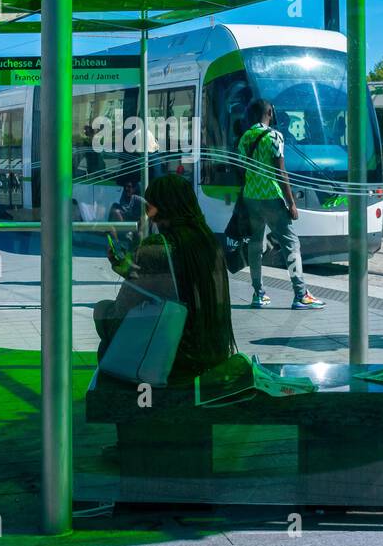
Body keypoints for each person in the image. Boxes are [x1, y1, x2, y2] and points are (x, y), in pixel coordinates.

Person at [94, 173, 238, 384]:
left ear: (160, 209)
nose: (148, 215)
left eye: (149, 207)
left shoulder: (156, 247)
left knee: (103, 317)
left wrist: (102, 314)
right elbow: (167, 279)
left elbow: (119, 317)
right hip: (213, 356)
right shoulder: (210, 244)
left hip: (173, 362)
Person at [237, 98, 325, 311]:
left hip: (251, 198)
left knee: (255, 245)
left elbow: (241, 170)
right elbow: (280, 172)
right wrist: (291, 202)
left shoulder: (245, 138)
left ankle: (258, 294)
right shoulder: (275, 136)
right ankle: (301, 294)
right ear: (269, 112)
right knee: (291, 243)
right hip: (272, 198)